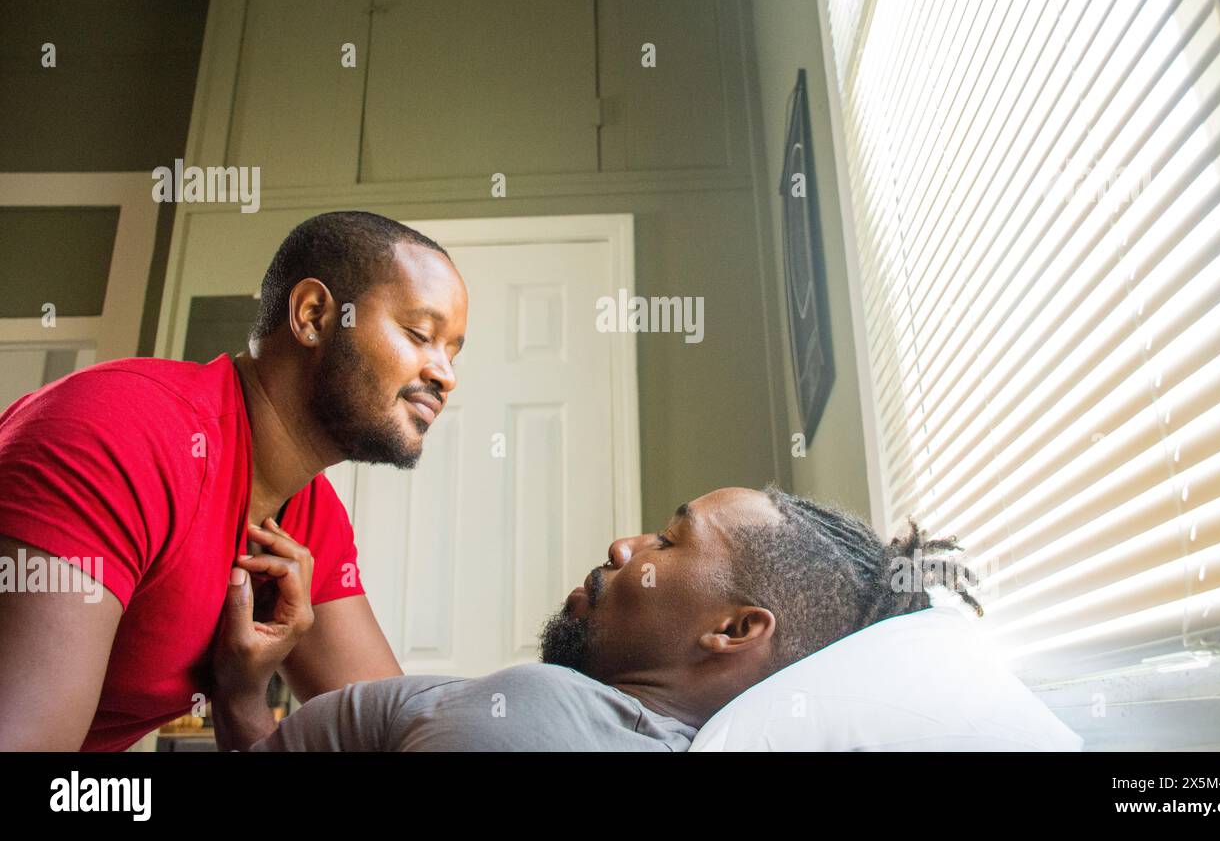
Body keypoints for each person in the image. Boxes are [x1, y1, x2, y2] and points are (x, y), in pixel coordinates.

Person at [0, 210, 469, 750]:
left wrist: (243, 693)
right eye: (420, 335)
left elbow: (396, 738)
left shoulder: (311, 516)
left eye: (454, 351)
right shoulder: (120, 433)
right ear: (314, 315)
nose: (445, 375)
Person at [211, 485, 982, 751]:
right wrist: (244, 692)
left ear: (737, 630)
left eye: (670, 540)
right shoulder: (593, 721)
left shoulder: (542, 724)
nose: (625, 544)